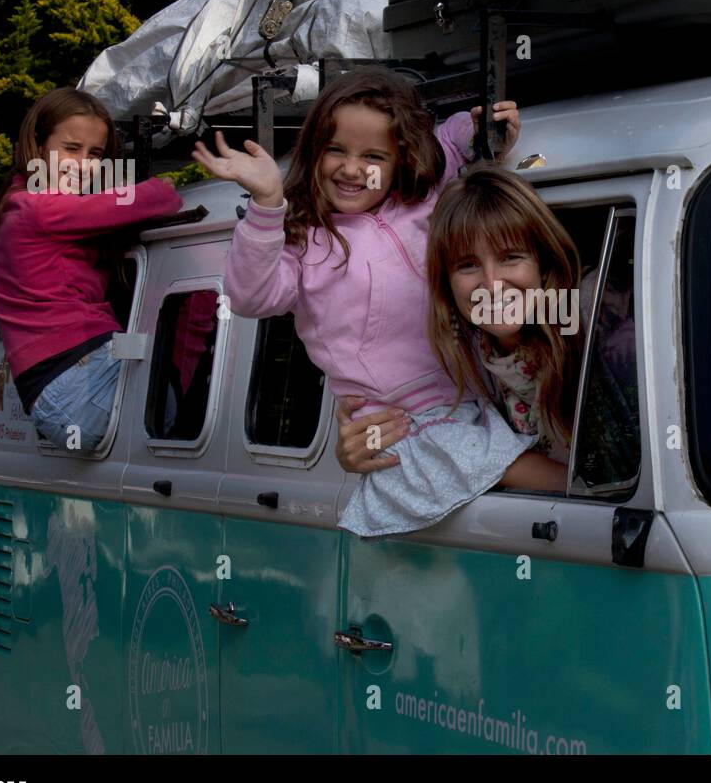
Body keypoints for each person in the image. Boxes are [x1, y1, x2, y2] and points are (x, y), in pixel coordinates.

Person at [199, 67, 554, 538]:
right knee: (537, 477)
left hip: (473, 396)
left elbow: (447, 142)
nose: (350, 168)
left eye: (372, 156)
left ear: (399, 160)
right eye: (335, 150)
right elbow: (248, 295)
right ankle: (599, 494)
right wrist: (267, 202)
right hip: (401, 422)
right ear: (313, 152)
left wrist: (481, 127)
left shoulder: (422, 201)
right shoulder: (304, 240)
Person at [336, 163, 591, 489]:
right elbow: (428, 440)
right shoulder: (458, 357)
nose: (492, 284)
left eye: (511, 257)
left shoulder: (587, 332)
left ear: (543, 264)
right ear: (448, 283)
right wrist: (359, 448)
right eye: (468, 265)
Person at [0, 87, 182, 450]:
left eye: (96, 154)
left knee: (153, 347)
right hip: (78, 380)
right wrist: (160, 186)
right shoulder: (37, 207)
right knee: (179, 350)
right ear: (38, 145)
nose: (84, 165)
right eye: (71, 149)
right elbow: (161, 198)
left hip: (60, 391)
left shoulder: (17, 207)